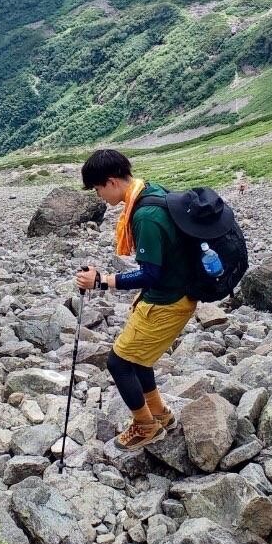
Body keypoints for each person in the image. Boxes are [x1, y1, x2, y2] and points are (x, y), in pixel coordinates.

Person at [76, 148, 216, 451]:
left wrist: (101, 281)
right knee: (138, 359)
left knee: (118, 363)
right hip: (174, 292)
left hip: (167, 301)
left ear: (112, 182)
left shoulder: (145, 216)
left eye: (98, 189)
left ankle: (145, 426)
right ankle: (161, 414)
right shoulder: (151, 192)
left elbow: (150, 274)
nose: (99, 196)